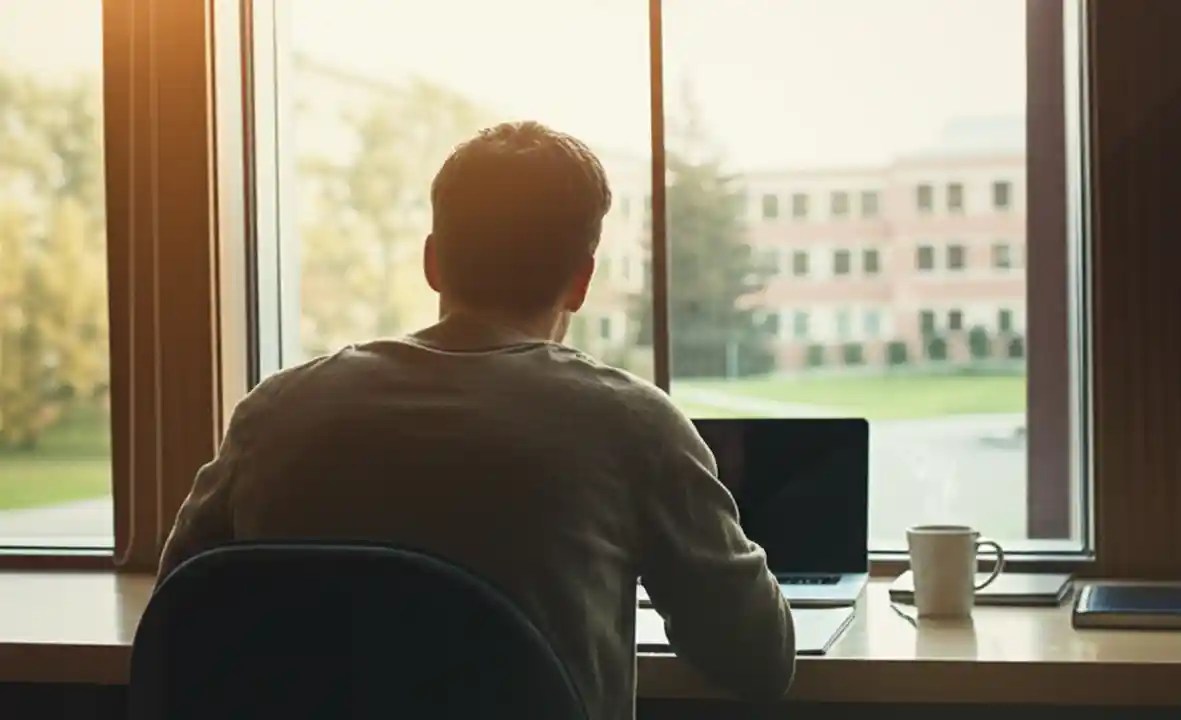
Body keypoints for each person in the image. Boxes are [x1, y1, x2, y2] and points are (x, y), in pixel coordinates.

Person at [158, 121, 795, 719]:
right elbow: (759, 661)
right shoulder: (632, 424)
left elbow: (176, 613)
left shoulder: (275, 412)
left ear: (433, 261)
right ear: (580, 282)